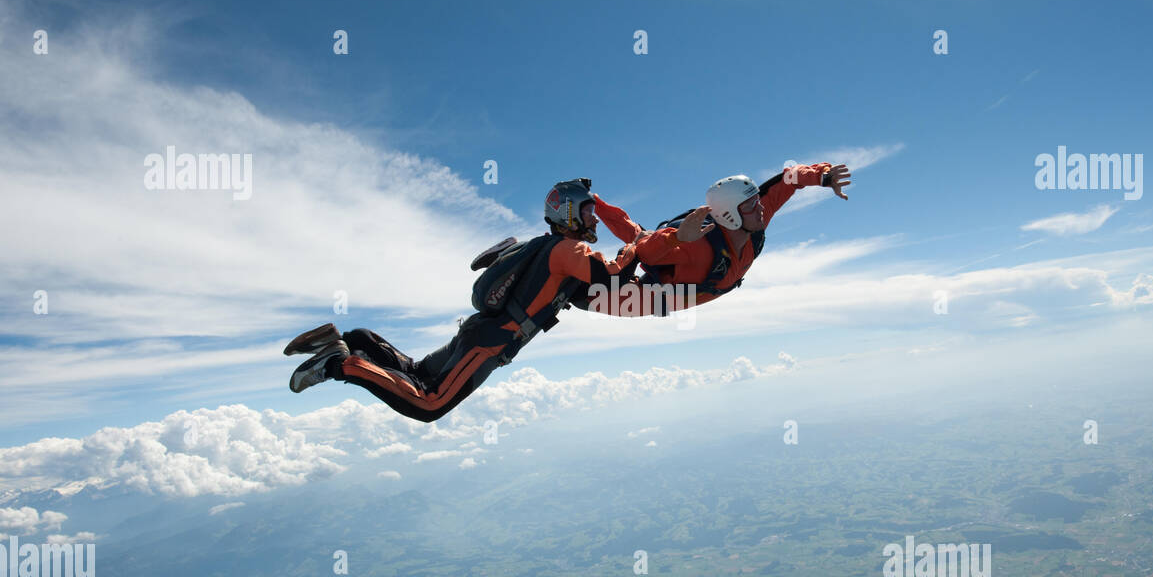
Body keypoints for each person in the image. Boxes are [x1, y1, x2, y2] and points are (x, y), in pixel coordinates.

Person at [282, 179, 639, 423]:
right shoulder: (569, 249)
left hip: (476, 334)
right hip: (488, 346)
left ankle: (354, 339)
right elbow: (612, 276)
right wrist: (638, 245)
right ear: (569, 214)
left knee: (417, 373)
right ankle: (337, 363)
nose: (593, 218)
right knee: (428, 404)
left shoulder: (547, 249)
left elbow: (585, 288)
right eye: (588, 211)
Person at [589, 162, 852, 316]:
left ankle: (594, 202)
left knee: (639, 234)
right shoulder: (697, 246)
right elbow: (644, 254)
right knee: (634, 245)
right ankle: (589, 206)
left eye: (756, 202)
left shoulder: (755, 222)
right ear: (730, 214)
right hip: (669, 294)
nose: (761, 208)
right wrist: (677, 238)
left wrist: (823, 176)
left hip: (706, 286)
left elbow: (788, 179)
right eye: (750, 205)